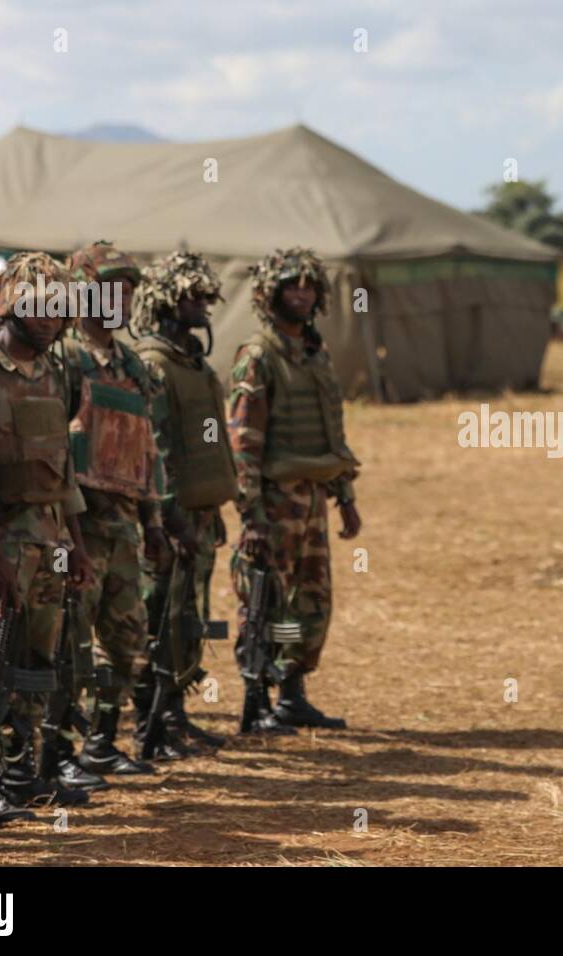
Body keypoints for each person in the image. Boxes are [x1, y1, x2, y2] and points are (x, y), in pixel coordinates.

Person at [0, 251, 96, 824]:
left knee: (35, 666)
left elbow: (64, 471)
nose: (51, 320)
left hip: (48, 541)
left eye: (60, 310)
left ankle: (20, 773)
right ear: (10, 306)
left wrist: (75, 543)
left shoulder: (54, 372)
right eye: (39, 308)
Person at [228, 248, 362, 731]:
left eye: (309, 285)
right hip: (275, 502)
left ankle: (292, 691)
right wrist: (252, 515)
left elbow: (332, 431)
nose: (302, 293)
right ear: (270, 294)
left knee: (311, 601)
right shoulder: (259, 356)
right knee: (268, 599)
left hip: (313, 498)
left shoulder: (315, 354)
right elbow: (243, 441)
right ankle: (256, 695)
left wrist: (345, 495)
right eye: (291, 285)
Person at [60, 241, 168, 777]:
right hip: (74, 525)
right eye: (112, 288)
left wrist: (154, 522)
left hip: (123, 523)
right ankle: (54, 752)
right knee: (69, 642)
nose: (122, 300)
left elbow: (147, 448)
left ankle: (101, 741)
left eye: (128, 290)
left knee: (124, 639)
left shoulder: (131, 364)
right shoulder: (64, 358)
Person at [129, 251, 235, 756]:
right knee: (160, 616)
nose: (202, 307)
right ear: (166, 304)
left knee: (189, 618)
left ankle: (176, 712)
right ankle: (150, 721)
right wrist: (170, 519)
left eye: (205, 297)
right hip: (172, 520)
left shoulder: (194, 362)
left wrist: (211, 510)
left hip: (200, 514)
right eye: (192, 298)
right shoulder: (155, 364)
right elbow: (156, 446)